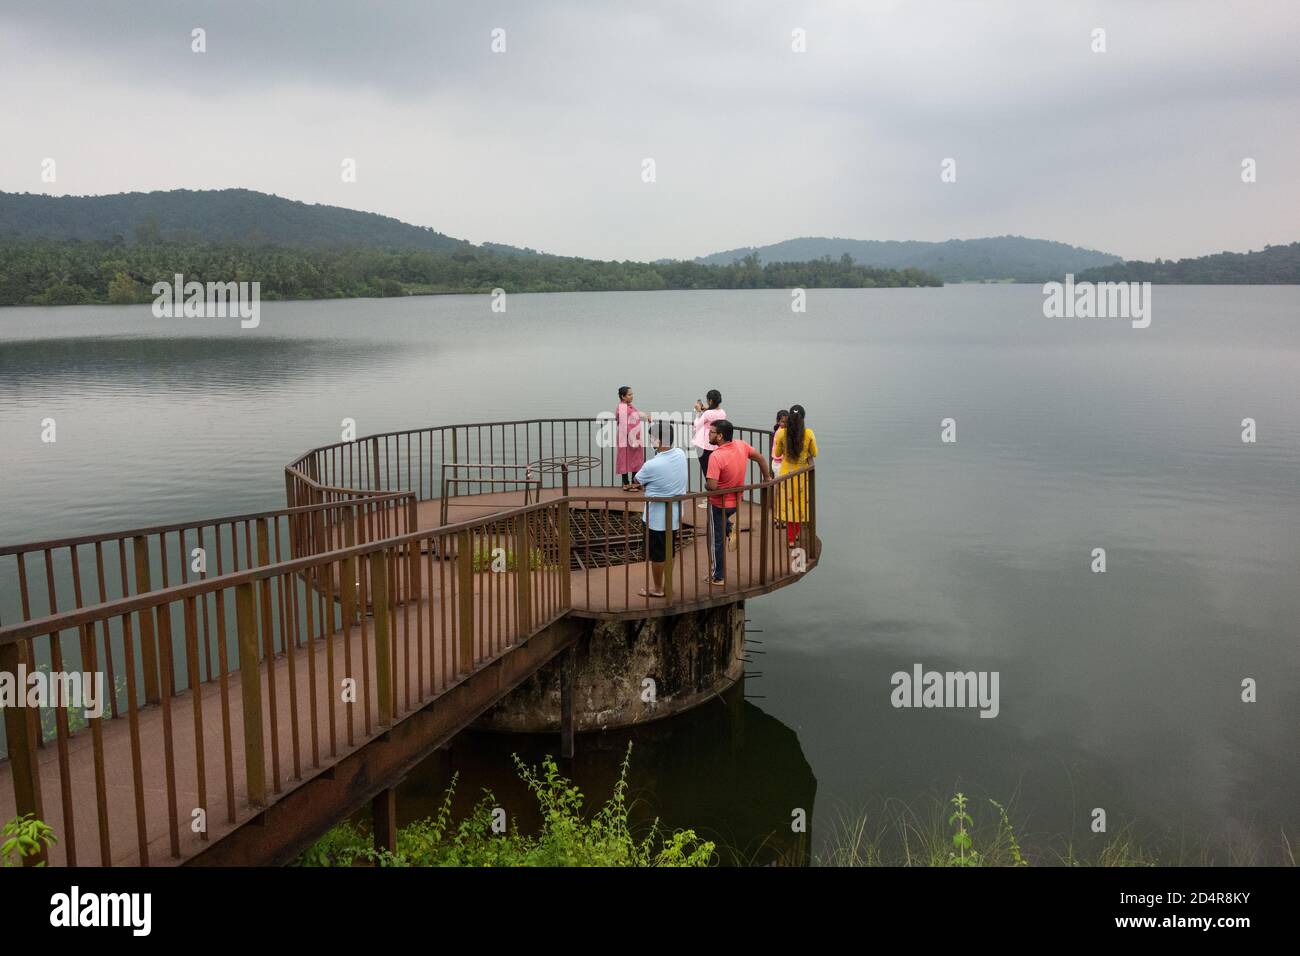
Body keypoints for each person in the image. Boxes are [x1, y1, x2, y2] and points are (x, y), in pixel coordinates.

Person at [705, 419, 772, 585]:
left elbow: (712, 486)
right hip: (735, 502)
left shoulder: (716, 456)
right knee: (718, 529)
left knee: (715, 540)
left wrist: (706, 483)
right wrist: (767, 478)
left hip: (718, 505)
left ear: (720, 436)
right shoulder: (742, 445)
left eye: (712, 432)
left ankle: (717, 576)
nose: (709, 434)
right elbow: (761, 459)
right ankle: (729, 527)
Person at [633, 420, 688, 597]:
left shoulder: (652, 464)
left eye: (651, 438)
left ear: (657, 440)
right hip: (674, 514)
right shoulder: (681, 454)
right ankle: (668, 585)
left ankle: (658, 589)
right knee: (669, 551)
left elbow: (637, 481)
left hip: (656, 519)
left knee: (657, 556)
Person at [773, 404, 818, 548]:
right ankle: (796, 533)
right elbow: (815, 453)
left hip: (786, 474)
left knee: (789, 506)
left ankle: (791, 539)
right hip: (802, 475)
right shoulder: (809, 433)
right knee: (800, 505)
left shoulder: (781, 434)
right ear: (803, 418)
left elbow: (778, 453)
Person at [691, 389, 725, 509]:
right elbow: (712, 415)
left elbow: (697, 424)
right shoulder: (722, 413)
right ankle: (718, 496)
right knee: (717, 473)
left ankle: (711, 499)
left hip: (704, 444)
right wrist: (705, 409)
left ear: (710, 400)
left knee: (707, 472)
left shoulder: (706, 414)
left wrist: (698, 412)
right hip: (716, 444)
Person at [616, 385, 645, 491]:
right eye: (629, 394)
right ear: (623, 397)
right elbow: (624, 425)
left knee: (635, 459)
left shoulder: (629, 406)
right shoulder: (622, 408)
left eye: (632, 394)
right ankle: (626, 483)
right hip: (627, 438)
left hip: (633, 437)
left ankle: (634, 482)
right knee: (625, 458)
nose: (632, 396)